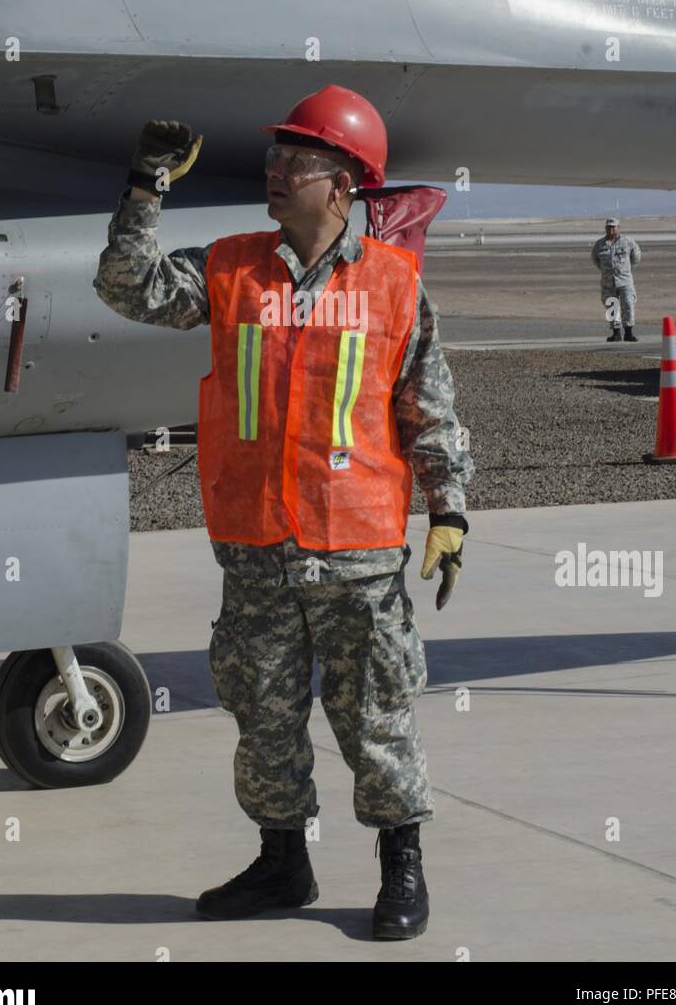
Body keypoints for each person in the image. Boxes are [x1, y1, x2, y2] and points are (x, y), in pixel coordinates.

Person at [94, 84, 474, 940]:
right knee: (263, 718)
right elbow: (125, 286)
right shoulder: (229, 269)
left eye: (295, 159)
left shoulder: (393, 286)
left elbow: (429, 410)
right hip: (257, 548)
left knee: (376, 718)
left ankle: (401, 871)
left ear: (341, 185)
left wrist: (450, 512)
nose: (275, 170)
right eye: (275, 157)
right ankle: (282, 864)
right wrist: (148, 184)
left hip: (358, 553)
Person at [591, 217, 641, 341]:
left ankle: (629, 332)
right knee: (612, 306)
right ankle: (616, 332)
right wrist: (606, 271)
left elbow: (636, 257)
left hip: (624, 281)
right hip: (608, 282)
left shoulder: (627, 242)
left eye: (613, 227)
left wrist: (626, 270)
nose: (611, 229)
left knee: (628, 305)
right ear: (605, 228)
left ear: (618, 228)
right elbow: (595, 259)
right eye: (609, 227)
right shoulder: (600, 244)